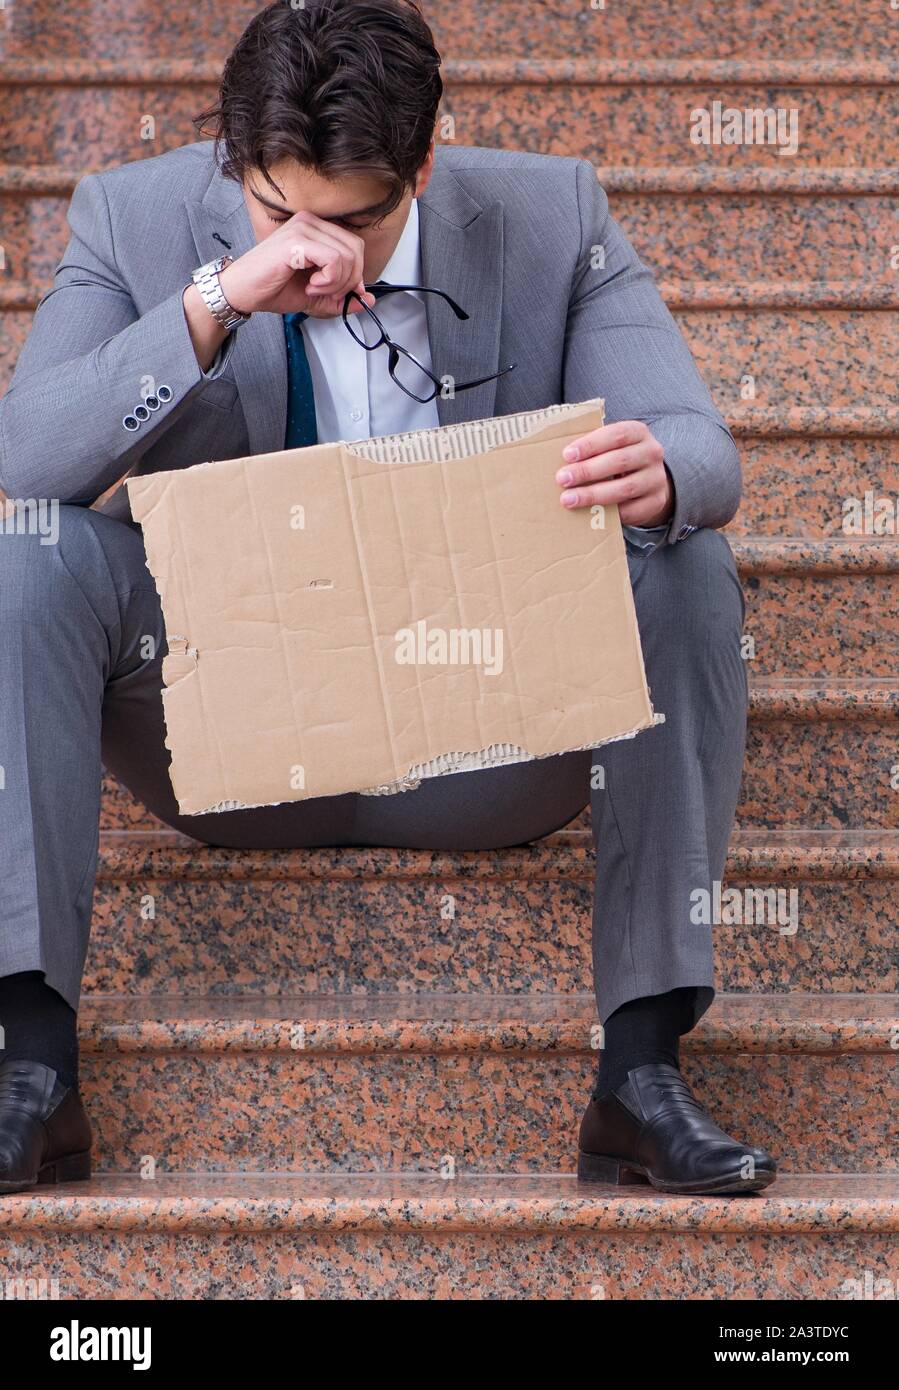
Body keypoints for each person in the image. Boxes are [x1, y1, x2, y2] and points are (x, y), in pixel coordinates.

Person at [0, 0, 775, 1196]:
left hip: (485, 735)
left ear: (421, 164)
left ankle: (638, 1070)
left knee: (683, 558)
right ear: (228, 165)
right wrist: (218, 300)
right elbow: (24, 459)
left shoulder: (548, 211)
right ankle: (33, 1069)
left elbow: (700, 446)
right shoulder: (133, 217)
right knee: (30, 549)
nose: (319, 248)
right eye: (277, 210)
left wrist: (664, 471)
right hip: (226, 732)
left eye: (357, 218)